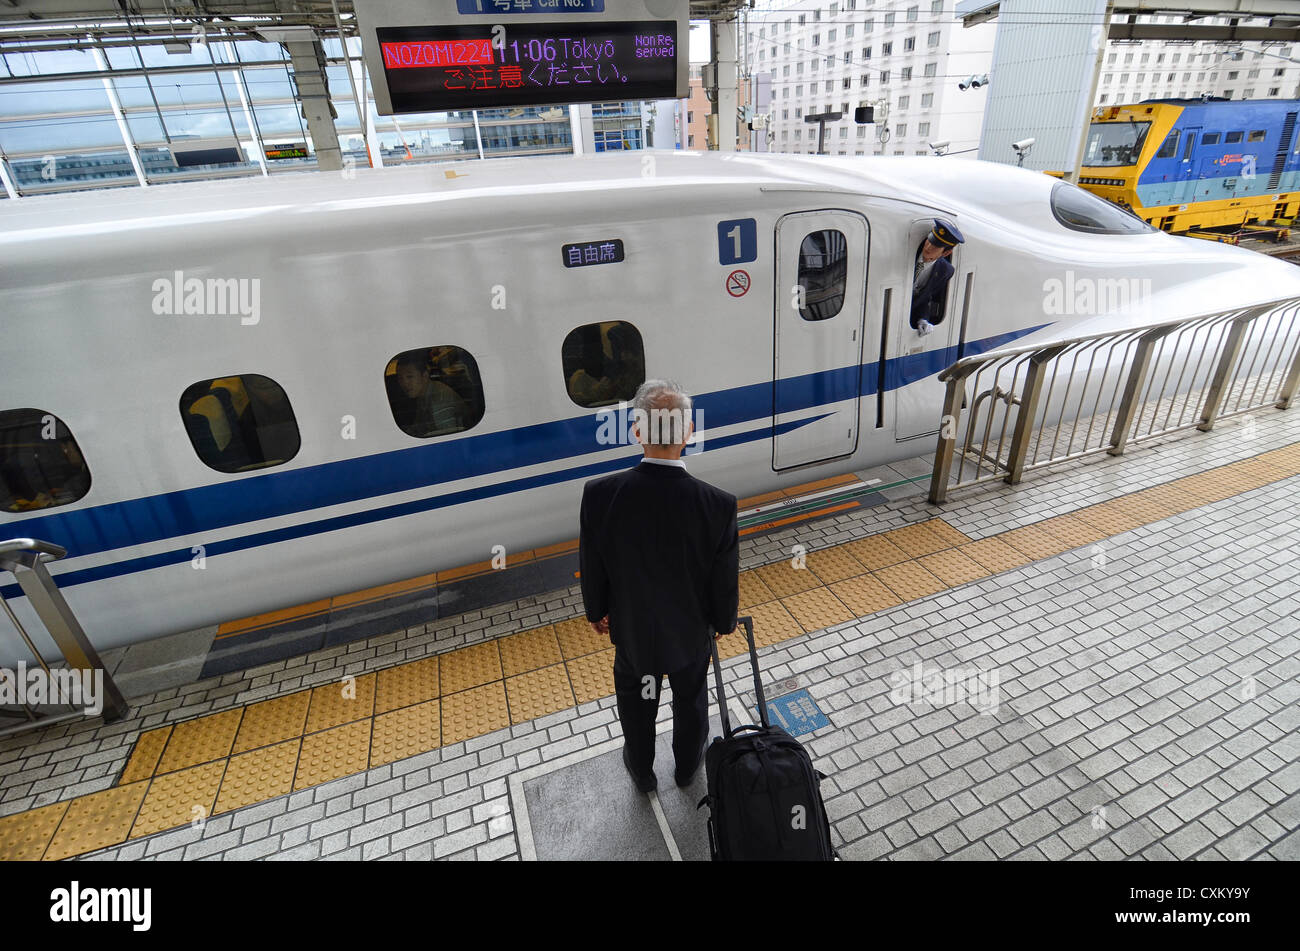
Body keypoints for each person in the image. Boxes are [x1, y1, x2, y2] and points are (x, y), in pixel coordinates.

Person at [578, 379, 739, 793]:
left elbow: (592, 563)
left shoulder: (600, 495)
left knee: (636, 704)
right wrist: (724, 621)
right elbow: (723, 578)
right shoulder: (717, 504)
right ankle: (687, 769)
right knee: (691, 702)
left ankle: (642, 771)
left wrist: (596, 612)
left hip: (633, 634)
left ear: (637, 433)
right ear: (687, 434)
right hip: (689, 636)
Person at [909, 218, 965, 335]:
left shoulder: (945, 271)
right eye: (929, 241)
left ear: (945, 253)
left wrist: (922, 319)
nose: (928, 247)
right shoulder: (909, 254)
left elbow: (926, 297)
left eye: (935, 247)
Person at [393, 352, 466, 437]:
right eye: (400, 378)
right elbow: (419, 427)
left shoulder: (439, 402)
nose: (404, 383)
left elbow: (449, 440)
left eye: (409, 376)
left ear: (424, 376)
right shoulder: (424, 393)